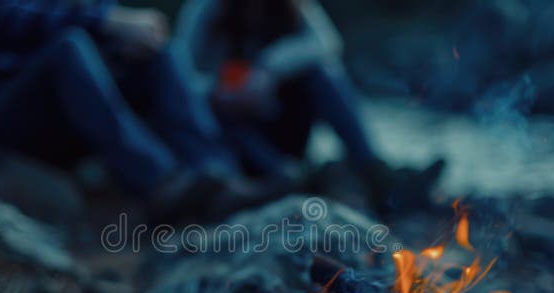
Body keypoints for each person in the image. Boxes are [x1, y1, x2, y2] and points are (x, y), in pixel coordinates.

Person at [0, 0, 255, 215]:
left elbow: (90, 28)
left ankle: (218, 175)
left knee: (162, 52)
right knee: (69, 46)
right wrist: (107, 21)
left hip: (67, 116)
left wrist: (120, 45)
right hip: (0, 117)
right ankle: (161, 183)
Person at [174, 0, 443, 211]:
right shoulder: (206, 9)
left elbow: (327, 42)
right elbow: (180, 77)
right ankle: (283, 179)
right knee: (215, 113)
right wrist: (220, 93)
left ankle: (372, 170)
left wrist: (269, 70)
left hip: (282, 123)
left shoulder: (291, 7)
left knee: (322, 74)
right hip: (235, 136)